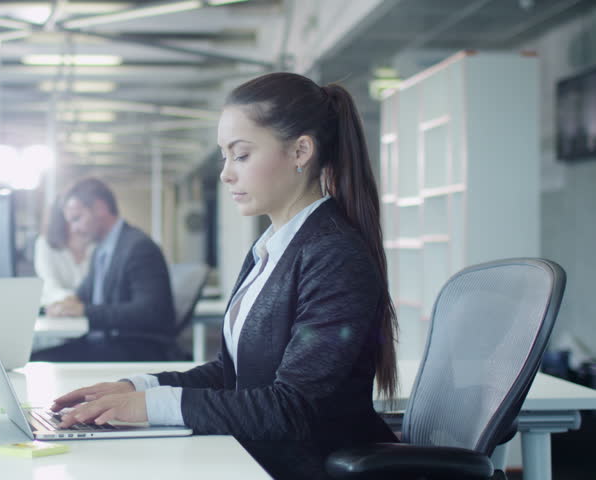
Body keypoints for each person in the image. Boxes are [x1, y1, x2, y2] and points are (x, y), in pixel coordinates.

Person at [48, 73, 400, 479]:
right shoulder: (273, 248)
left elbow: (293, 407)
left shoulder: (334, 254)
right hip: (255, 455)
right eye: (224, 156)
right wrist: (138, 387)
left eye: (242, 155)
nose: (226, 174)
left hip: (299, 466)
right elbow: (231, 374)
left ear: (300, 151)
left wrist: (152, 407)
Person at [32, 177, 175, 362]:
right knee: (35, 356)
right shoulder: (102, 250)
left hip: (135, 348)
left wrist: (84, 310)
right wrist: (65, 304)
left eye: (77, 219)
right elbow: (82, 294)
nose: (73, 229)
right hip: (106, 342)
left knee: (36, 361)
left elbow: (150, 312)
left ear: (99, 208)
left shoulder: (138, 247)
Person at [34, 200, 93, 307]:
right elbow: (49, 286)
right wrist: (74, 300)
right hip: (58, 310)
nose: (80, 224)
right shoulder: (45, 244)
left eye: (80, 216)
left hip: (92, 312)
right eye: (74, 218)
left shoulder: (96, 245)